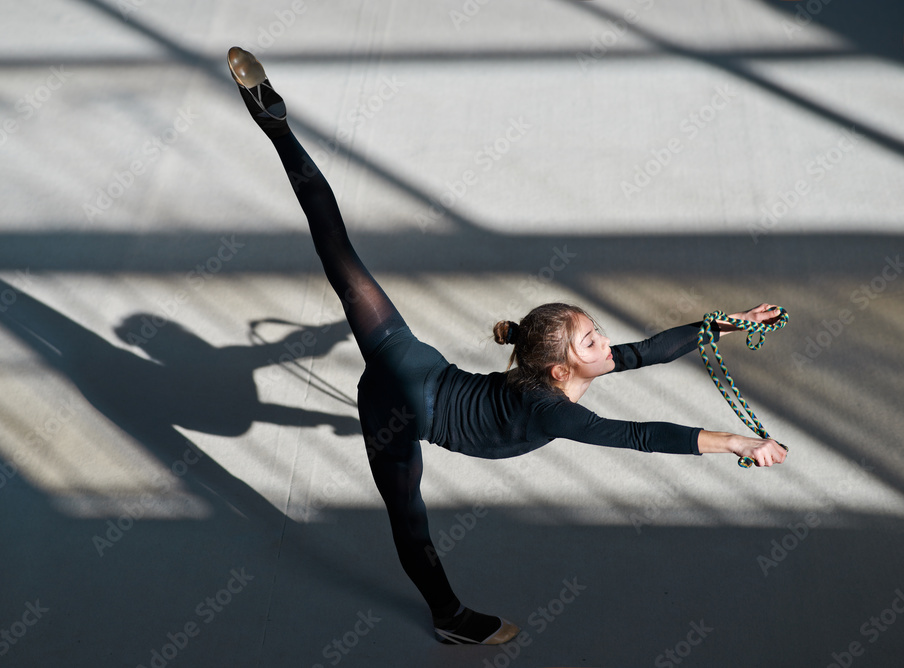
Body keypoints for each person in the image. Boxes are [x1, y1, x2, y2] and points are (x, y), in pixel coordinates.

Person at [225, 46, 788, 645]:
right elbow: (640, 435)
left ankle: (277, 129)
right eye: (593, 340)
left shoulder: (559, 374)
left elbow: (648, 350)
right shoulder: (553, 408)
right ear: (559, 367)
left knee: (339, 252)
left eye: (596, 334)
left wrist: (720, 324)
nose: (608, 347)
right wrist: (736, 443)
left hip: (406, 355)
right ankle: (448, 618)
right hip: (398, 405)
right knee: (408, 519)